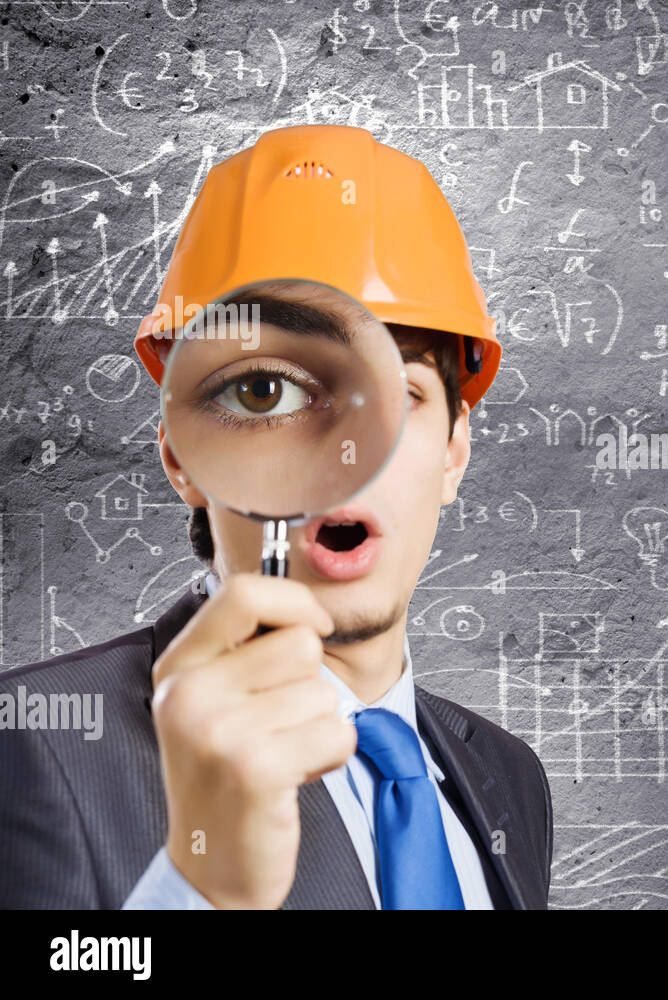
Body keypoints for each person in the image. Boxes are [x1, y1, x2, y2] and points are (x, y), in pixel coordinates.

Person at [0, 125, 552, 909]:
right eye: (267, 393)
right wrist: (195, 890)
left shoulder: (508, 777)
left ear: (455, 451)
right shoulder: (36, 741)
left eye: (400, 396)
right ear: (181, 455)